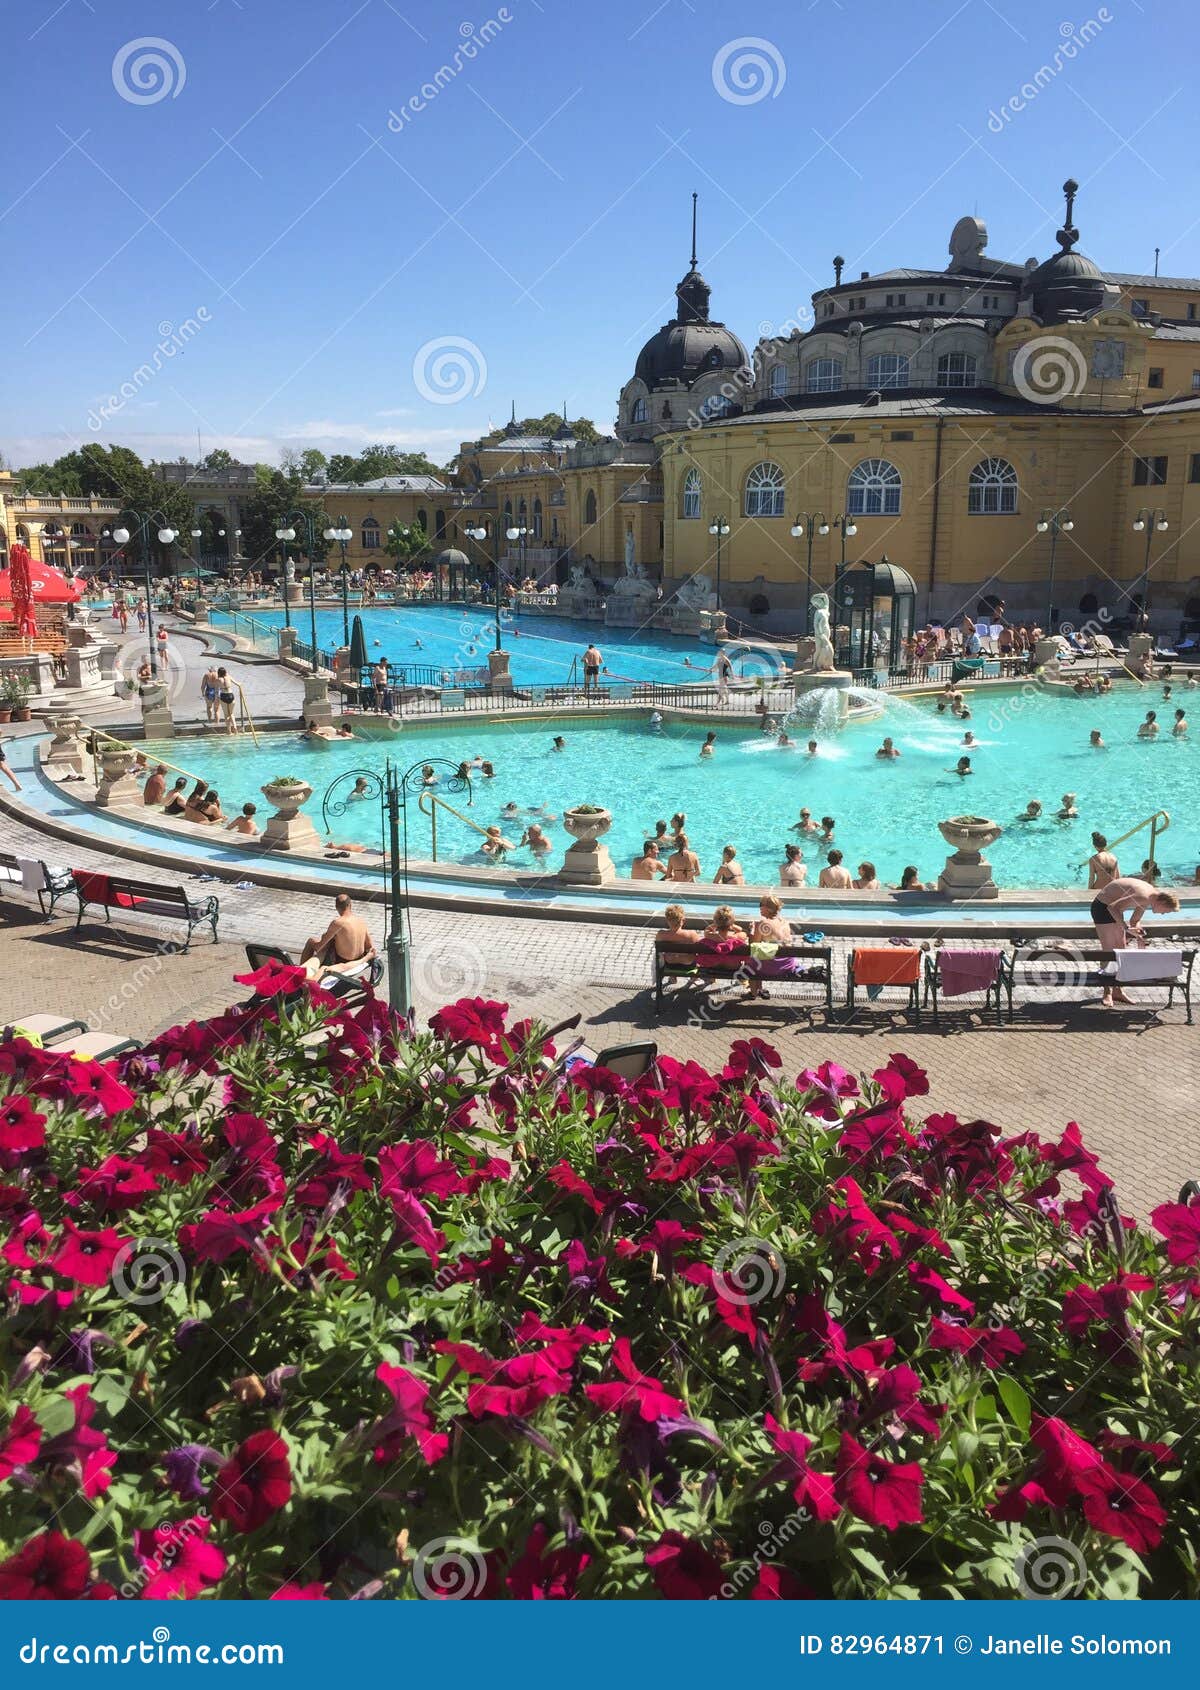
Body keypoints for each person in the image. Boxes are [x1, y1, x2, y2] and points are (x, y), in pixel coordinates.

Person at [1090, 877, 1180, 1007]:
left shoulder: (1150, 898)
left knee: (1121, 949)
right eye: (1166, 911)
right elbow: (1112, 907)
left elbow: (1135, 920)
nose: (1163, 914)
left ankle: (1118, 991)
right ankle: (1107, 992)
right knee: (1109, 951)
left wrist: (1139, 936)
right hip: (1102, 908)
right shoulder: (1143, 896)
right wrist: (1125, 928)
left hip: (1114, 910)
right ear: (1163, 903)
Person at [300, 892, 376, 976]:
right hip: (359, 958)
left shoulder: (337, 923)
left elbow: (319, 947)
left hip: (342, 961)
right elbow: (369, 946)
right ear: (350, 905)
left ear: (336, 907)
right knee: (333, 940)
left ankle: (300, 974)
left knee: (311, 941)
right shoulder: (361, 921)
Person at [745, 894, 793, 1000]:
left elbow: (753, 946)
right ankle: (759, 989)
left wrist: (751, 931)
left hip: (773, 966)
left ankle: (753, 992)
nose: (759, 907)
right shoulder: (785, 922)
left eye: (761, 905)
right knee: (763, 953)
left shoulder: (763, 923)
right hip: (786, 963)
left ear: (768, 908)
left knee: (753, 957)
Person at [216, 668, 238, 733]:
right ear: (225, 672)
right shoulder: (228, 677)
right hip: (231, 695)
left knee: (226, 714)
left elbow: (217, 690)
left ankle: (229, 731)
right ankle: (235, 727)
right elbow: (237, 683)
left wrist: (217, 699)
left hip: (223, 696)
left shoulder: (218, 680)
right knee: (231, 713)